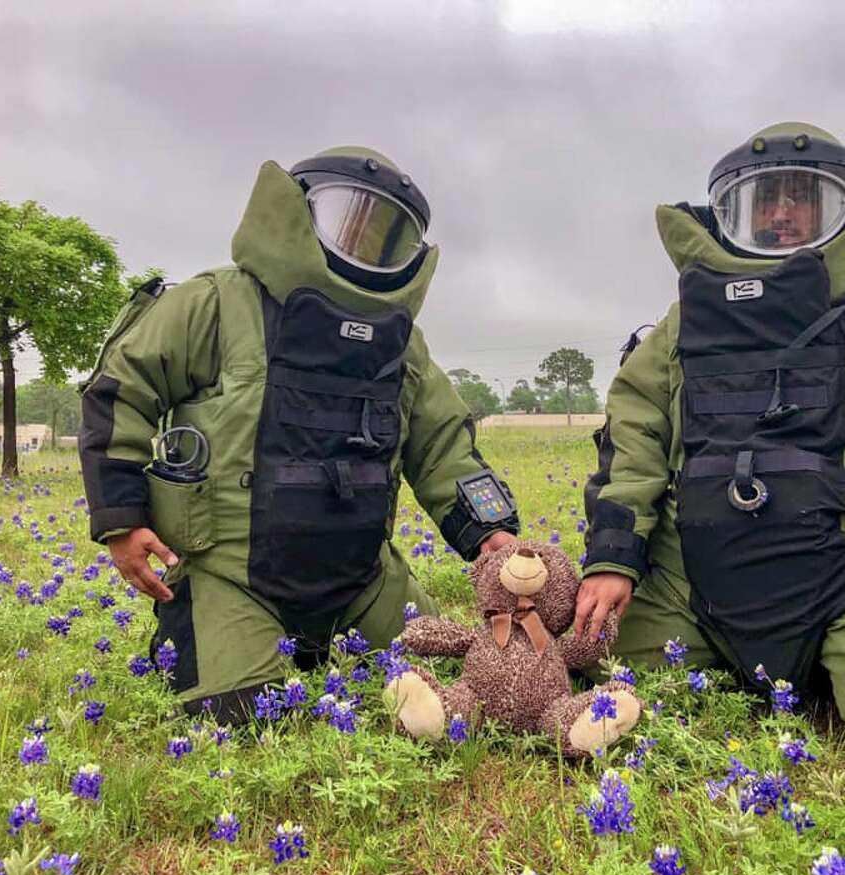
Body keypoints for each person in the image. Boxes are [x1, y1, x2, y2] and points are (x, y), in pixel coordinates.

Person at [575, 122, 845, 737]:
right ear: (729, 213)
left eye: (802, 195)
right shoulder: (681, 323)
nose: (780, 214)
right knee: (596, 693)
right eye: (761, 199)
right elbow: (631, 440)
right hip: (692, 580)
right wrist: (613, 560)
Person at [79, 146, 519, 724]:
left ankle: (334, 640)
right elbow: (121, 390)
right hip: (235, 574)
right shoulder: (216, 301)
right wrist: (121, 519)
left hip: (364, 577)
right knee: (237, 715)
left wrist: (491, 534)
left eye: (385, 236)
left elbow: (442, 445)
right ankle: (221, 638)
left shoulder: (402, 344)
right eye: (347, 219)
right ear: (294, 213)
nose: (362, 244)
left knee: (464, 684)